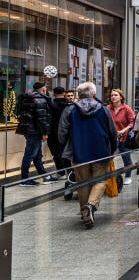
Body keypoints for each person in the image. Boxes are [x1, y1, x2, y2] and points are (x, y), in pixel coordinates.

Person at [58, 82, 117, 229]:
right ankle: (90, 206)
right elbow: (112, 131)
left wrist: (66, 148)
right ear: (94, 94)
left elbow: (62, 133)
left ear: (78, 95)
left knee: (82, 182)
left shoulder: (70, 109)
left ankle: (85, 211)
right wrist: (112, 149)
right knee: (101, 179)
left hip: (78, 152)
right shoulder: (103, 109)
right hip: (100, 151)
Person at [16, 82, 57, 186]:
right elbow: (41, 118)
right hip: (35, 131)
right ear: (43, 89)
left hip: (29, 130)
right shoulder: (40, 99)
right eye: (45, 88)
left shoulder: (28, 97)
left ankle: (45, 176)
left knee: (37, 155)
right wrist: (44, 133)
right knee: (30, 155)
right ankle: (24, 179)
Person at [108, 88, 135, 185]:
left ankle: (128, 176)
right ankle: (109, 177)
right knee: (108, 159)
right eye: (112, 95)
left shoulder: (126, 108)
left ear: (121, 97)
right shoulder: (108, 108)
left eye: (115, 95)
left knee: (126, 157)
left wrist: (124, 130)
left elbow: (132, 122)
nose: (113, 97)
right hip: (111, 139)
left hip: (124, 138)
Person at [47, 86, 71, 178]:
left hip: (54, 133)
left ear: (53, 93)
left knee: (56, 153)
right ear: (64, 93)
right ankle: (69, 171)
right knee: (67, 152)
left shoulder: (51, 104)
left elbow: (48, 119)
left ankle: (60, 172)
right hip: (67, 132)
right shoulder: (69, 105)